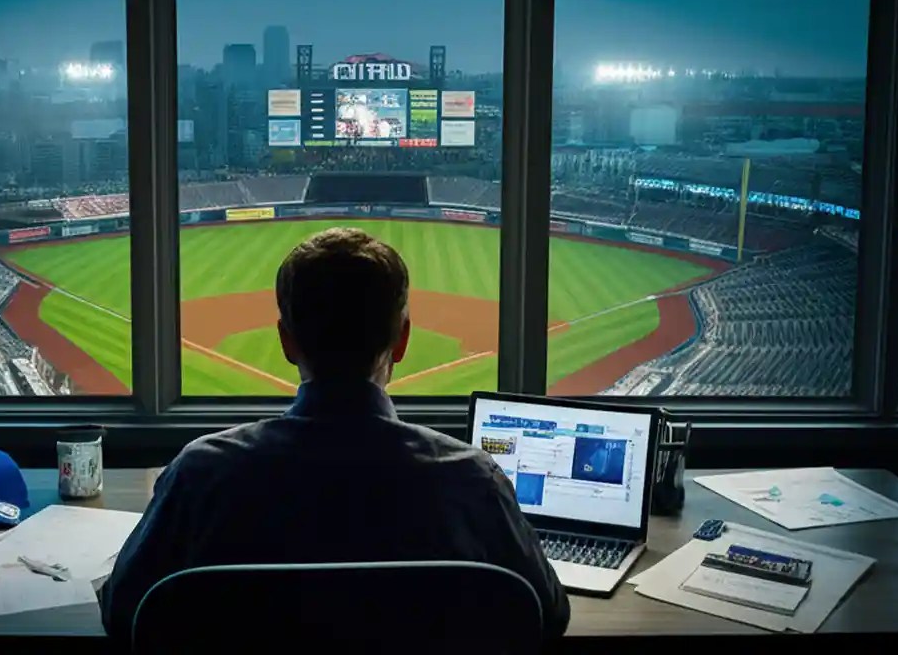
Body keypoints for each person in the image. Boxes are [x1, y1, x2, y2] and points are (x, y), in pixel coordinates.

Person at [102, 227, 570, 644]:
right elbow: (545, 615)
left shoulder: (201, 472)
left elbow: (124, 610)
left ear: (286, 341)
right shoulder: (472, 479)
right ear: (402, 340)